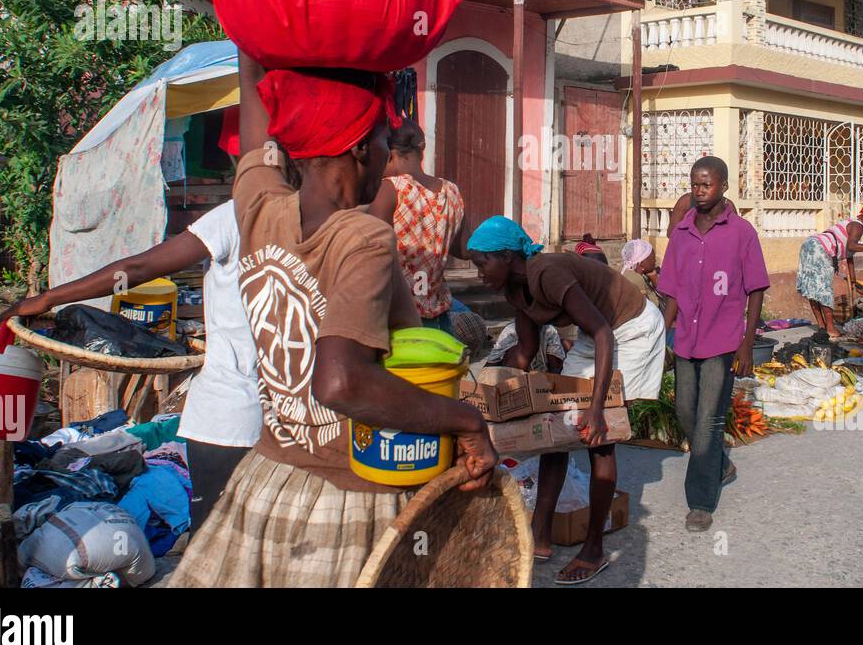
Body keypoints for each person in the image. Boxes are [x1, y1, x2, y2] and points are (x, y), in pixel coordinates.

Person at [169, 54, 497, 588]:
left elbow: (256, 134)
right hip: (351, 494)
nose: (389, 156)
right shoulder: (363, 237)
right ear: (358, 149)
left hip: (268, 479)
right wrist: (466, 422)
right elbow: (341, 381)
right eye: (383, 144)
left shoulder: (257, 205)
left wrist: (253, 43)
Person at [0, 113, 260, 533]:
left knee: (218, 547)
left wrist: (49, 297)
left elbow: (138, 267)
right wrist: (49, 298)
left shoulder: (238, 216)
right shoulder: (316, 222)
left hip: (231, 421)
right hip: (266, 424)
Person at [467, 216, 665, 585]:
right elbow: (524, 353)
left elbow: (604, 332)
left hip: (631, 327)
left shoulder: (548, 272)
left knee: (597, 436)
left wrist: (596, 406)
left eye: (482, 263)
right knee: (555, 430)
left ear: (507, 256)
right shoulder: (514, 290)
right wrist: (496, 396)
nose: (478, 273)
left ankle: (593, 549)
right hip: (598, 335)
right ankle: (539, 538)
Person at [657, 157, 769, 533]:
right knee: (685, 411)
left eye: (706, 184)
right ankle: (720, 463)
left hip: (723, 340)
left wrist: (746, 343)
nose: (699, 190)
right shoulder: (682, 233)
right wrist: (662, 337)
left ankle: (700, 501)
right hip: (687, 339)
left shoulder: (741, 232)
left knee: (707, 420)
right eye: (694, 184)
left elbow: (755, 290)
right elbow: (671, 290)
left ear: (722, 186)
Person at [368, 119, 466, 334]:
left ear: (390, 153)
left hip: (397, 316)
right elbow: (463, 250)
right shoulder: (452, 191)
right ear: (421, 151)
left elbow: (370, 251)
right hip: (439, 315)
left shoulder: (390, 189)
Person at [795, 207, 863, 338]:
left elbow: (849, 255)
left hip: (810, 245)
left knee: (812, 289)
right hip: (820, 249)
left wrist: (853, 281)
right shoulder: (858, 225)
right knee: (824, 290)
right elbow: (852, 246)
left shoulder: (850, 224)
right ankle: (830, 327)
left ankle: (822, 326)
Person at [619, 238, 661, 309]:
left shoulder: (628, 271)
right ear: (641, 262)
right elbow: (649, 309)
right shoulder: (637, 279)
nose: (655, 261)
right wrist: (656, 282)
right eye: (653, 258)